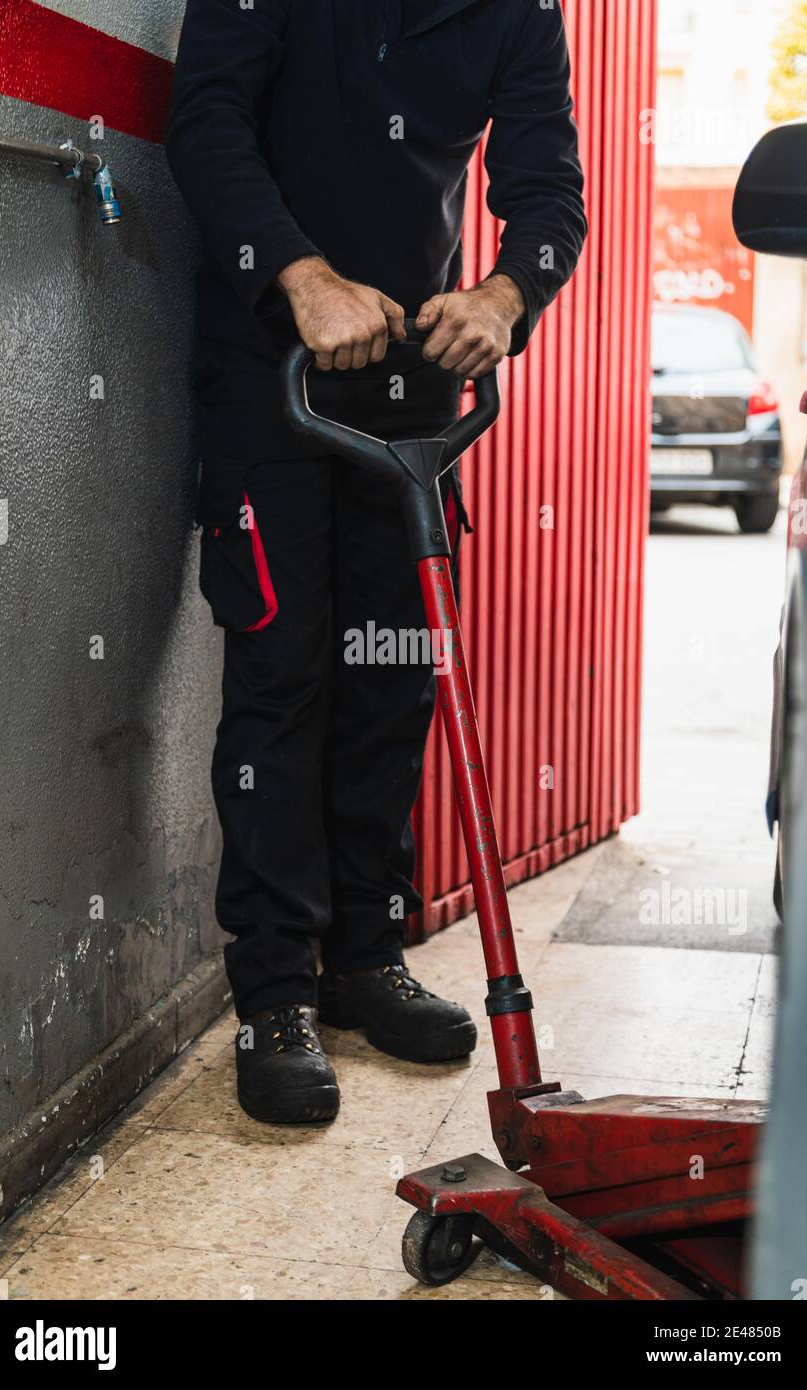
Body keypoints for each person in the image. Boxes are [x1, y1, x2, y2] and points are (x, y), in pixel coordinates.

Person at [165, 0, 586, 1125]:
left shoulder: (515, 15)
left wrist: (503, 297)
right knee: (282, 676)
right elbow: (206, 121)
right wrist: (301, 277)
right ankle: (273, 993)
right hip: (272, 376)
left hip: (408, 392)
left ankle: (363, 953)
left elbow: (547, 193)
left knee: (391, 679)